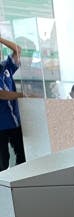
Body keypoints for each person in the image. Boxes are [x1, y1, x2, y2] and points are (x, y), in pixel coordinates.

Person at [0, 36, 25, 170]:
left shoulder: (5, 67)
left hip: (14, 122)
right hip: (1, 126)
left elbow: (17, 49)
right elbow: (2, 94)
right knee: (2, 162)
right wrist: (22, 95)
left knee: (23, 156)